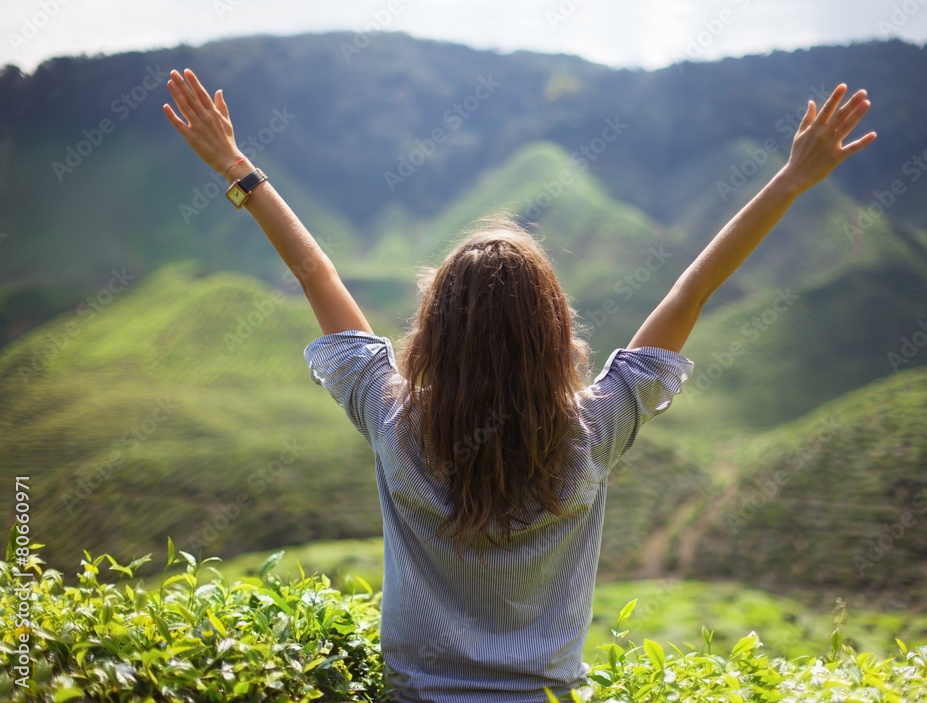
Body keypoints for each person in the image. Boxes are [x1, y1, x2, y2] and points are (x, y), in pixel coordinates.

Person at [163, 67, 875, 702]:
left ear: (435, 328)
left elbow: (317, 275)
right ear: (554, 328)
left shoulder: (392, 417)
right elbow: (694, 289)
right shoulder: (595, 428)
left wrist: (238, 168)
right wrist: (789, 181)